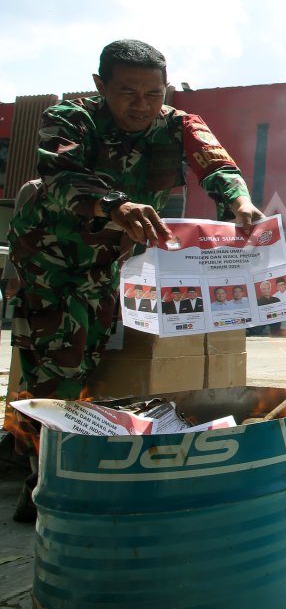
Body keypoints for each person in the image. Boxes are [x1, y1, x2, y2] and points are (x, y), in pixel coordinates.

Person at [6, 38, 263, 522]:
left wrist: (239, 203)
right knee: (54, 366)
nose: (141, 105)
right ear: (100, 86)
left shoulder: (177, 123)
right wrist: (116, 205)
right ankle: (42, 485)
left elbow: (216, 162)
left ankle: (69, 465)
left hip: (112, 266)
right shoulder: (71, 118)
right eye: (127, 92)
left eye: (153, 93)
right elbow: (59, 176)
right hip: (51, 262)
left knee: (92, 362)